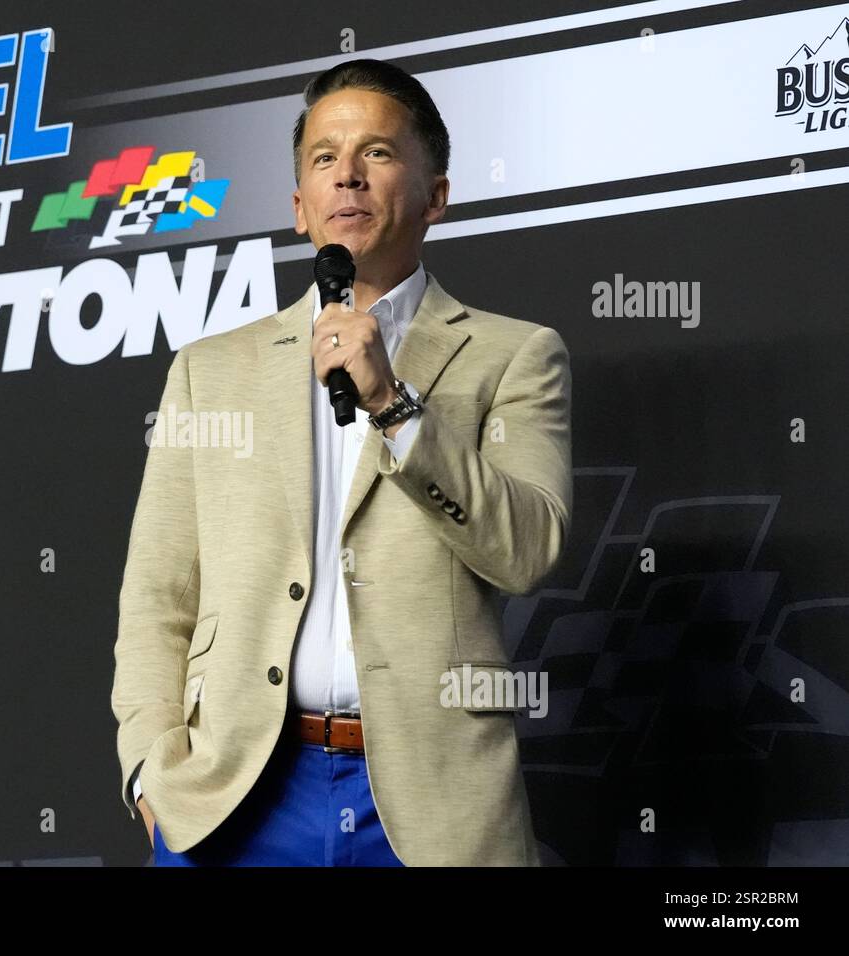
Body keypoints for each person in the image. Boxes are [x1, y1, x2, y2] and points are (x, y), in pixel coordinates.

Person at [111, 58, 572, 865]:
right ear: (298, 207)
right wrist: (153, 773)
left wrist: (394, 404)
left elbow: (526, 550)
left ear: (437, 196)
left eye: (379, 154)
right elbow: (158, 594)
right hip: (236, 800)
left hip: (432, 805)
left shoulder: (516, 355)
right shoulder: (209, 370)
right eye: (325, 158)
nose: (348, 176)